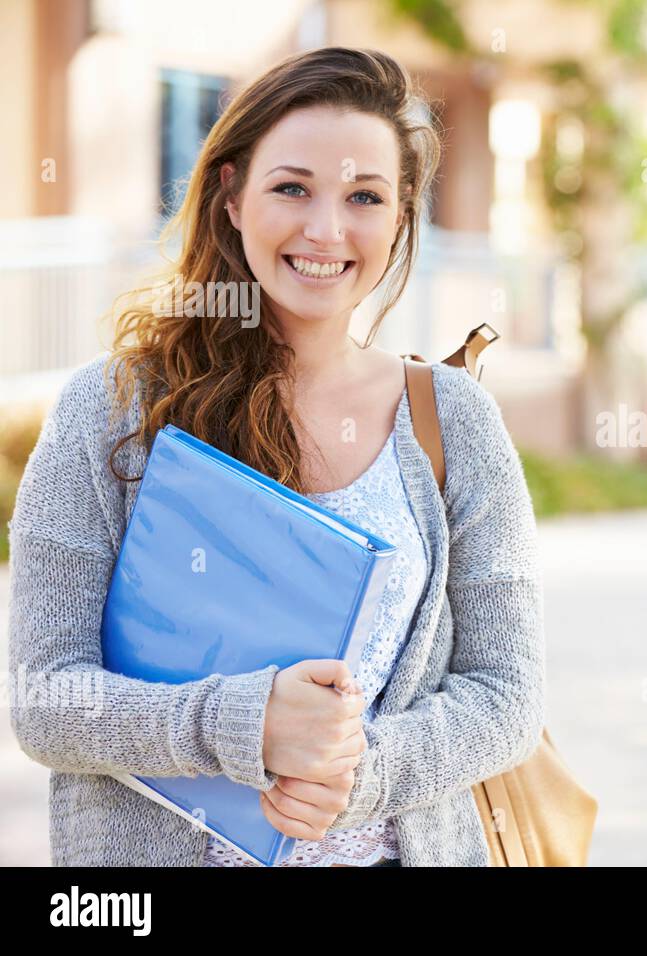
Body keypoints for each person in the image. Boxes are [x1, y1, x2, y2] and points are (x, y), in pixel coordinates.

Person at [6, 48, 545, 867]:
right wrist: (242, 723)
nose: (326, 230)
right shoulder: (112, 409)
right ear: (230, 195)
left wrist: (358, 773)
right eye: (292, 187)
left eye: (364, 197)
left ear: (401, 216)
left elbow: (507, 695)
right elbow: (46, 700)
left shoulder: (452, 421)